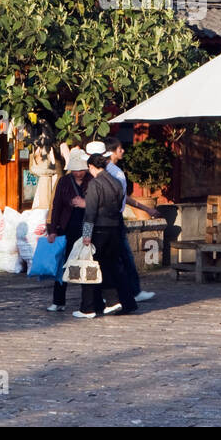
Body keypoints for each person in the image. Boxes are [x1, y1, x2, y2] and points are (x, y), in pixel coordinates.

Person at [74, 153, 137, 318]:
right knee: (113, 267)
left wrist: (86, 234)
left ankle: (88, 307)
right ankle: (122, 301)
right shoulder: (116, 183)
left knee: (90, 266)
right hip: (115, 228)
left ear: (92, 167)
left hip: (99, 229)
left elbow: (90, 212)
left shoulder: (95, 184)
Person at [102, 136, 155, 304]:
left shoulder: (112, 171)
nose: (123, 151)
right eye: (119, 149)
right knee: (119, 257)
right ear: (111, 152)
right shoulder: (112, 172)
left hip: (113, 219)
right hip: (109, 219)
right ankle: (124, 292)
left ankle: (129, 290)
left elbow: (124, 198)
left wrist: (145, 209)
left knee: (121, 257)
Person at [46, 150, 89, 312]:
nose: (79, 173)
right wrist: (52, 229)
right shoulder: (64, 181)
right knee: (62, 265)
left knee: (87, 263)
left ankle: (89, 302)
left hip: (86, 227)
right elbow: (56, 206)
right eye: (76, 169)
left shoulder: (91, 181)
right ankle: (58, 300)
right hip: (66, 227)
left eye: (82, 169)